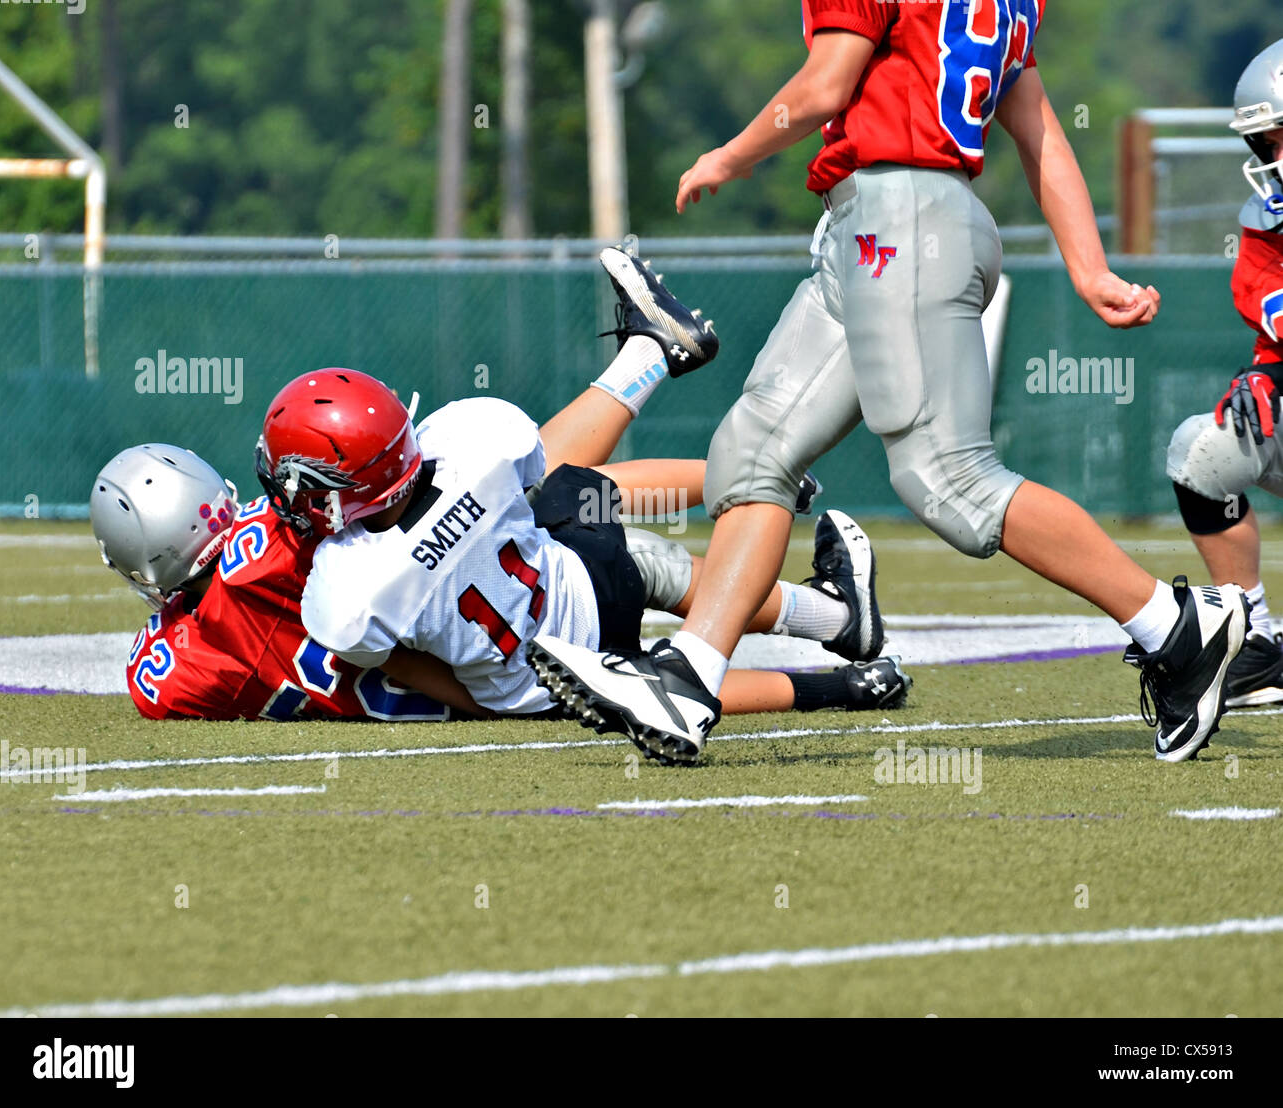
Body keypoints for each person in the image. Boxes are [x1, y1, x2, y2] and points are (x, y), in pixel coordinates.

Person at [526, 0, 1248, 766]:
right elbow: (1039, 131)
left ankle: (1175, 627)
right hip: (878, 225)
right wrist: (1089, 267)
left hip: (898, 223)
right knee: (754, 453)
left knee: (952, 478)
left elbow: (824, 87)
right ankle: (691, 678)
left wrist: (728, 157)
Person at [95, 250, 908, 721]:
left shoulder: (314, 600)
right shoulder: (463, 437)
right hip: (577, 575)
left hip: (522, 670)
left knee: (662, 668)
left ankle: (846, 677)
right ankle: (737, 455)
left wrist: (485, 704)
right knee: (572, 492)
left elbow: (396, 665)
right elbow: (525, 474)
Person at [1165, 38, 1283, 709]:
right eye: (1264, 144)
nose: (1270, 160)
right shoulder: (1267, 231)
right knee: (1201, 451)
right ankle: (1257, 647)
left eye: (1277, 138)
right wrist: (1267, 376)